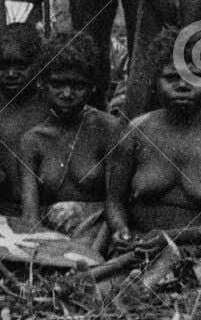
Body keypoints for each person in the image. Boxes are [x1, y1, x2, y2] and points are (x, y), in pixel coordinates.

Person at [105, 36, 201, 250]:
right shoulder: (136, 132)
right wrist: (120, 229)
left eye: (195, 76)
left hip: (200, 252)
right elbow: (114, 201)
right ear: (155, 82)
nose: (183, 85)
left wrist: (175, 237)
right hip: (136, 245)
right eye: (172, 77)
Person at [18, 32, 123, 243]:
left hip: (101, 237)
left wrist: (97, 248)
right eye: (57, 84)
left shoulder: (109, 130)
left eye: (78, 85)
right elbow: (30, 217)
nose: (67, 94)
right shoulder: (32, 141)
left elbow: (117, 205)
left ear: (92, 86)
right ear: (42, 83)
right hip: (49, 241)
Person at [0, 26, 48, 213]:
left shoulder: (49, 101)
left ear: (38, 64)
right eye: (3, 66)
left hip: (45, 206)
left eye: (21, 66)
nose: (10, 74)